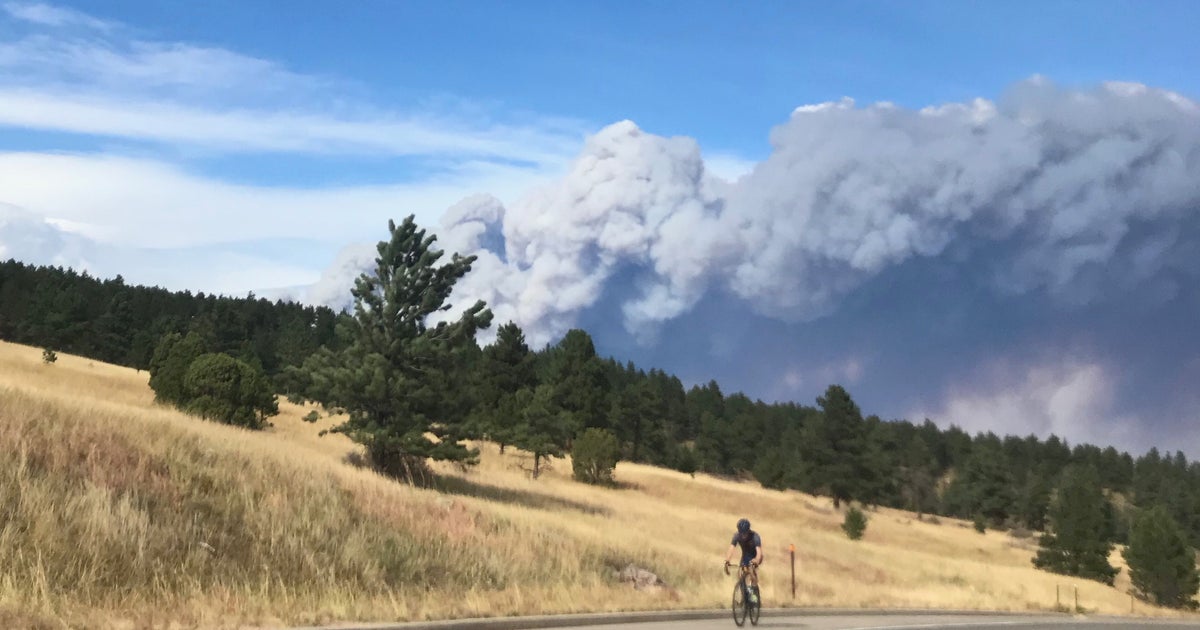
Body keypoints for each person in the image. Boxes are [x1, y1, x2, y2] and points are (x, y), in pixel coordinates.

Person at [724, 518, 762, 603]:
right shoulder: (737, 536)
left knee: (751, 571)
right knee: (740, 574)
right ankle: (744, 594)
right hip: (745, 556)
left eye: (745, 533)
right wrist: (727, 561)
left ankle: (754, 594)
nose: (743, 535)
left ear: (748, 530)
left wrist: (756, 560)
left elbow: (759, 552)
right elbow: (731, 549)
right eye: (742, 533)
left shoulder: (755, 537)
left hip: (755, 555)